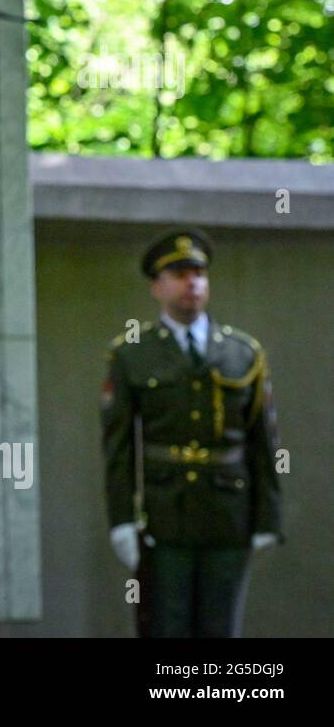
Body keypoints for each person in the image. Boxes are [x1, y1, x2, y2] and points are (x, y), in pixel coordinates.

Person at [100, 228, 282, 637]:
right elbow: (118, 447)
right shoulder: (133, 354)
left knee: (221, 627)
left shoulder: (242, 352)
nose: (192, 284)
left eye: (199, 273)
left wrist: (268, 515)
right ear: (157, 287)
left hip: (229, 515)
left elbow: (264, 442)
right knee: (168, 626)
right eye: (180, 274)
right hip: (166, 518)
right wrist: (122, 520)